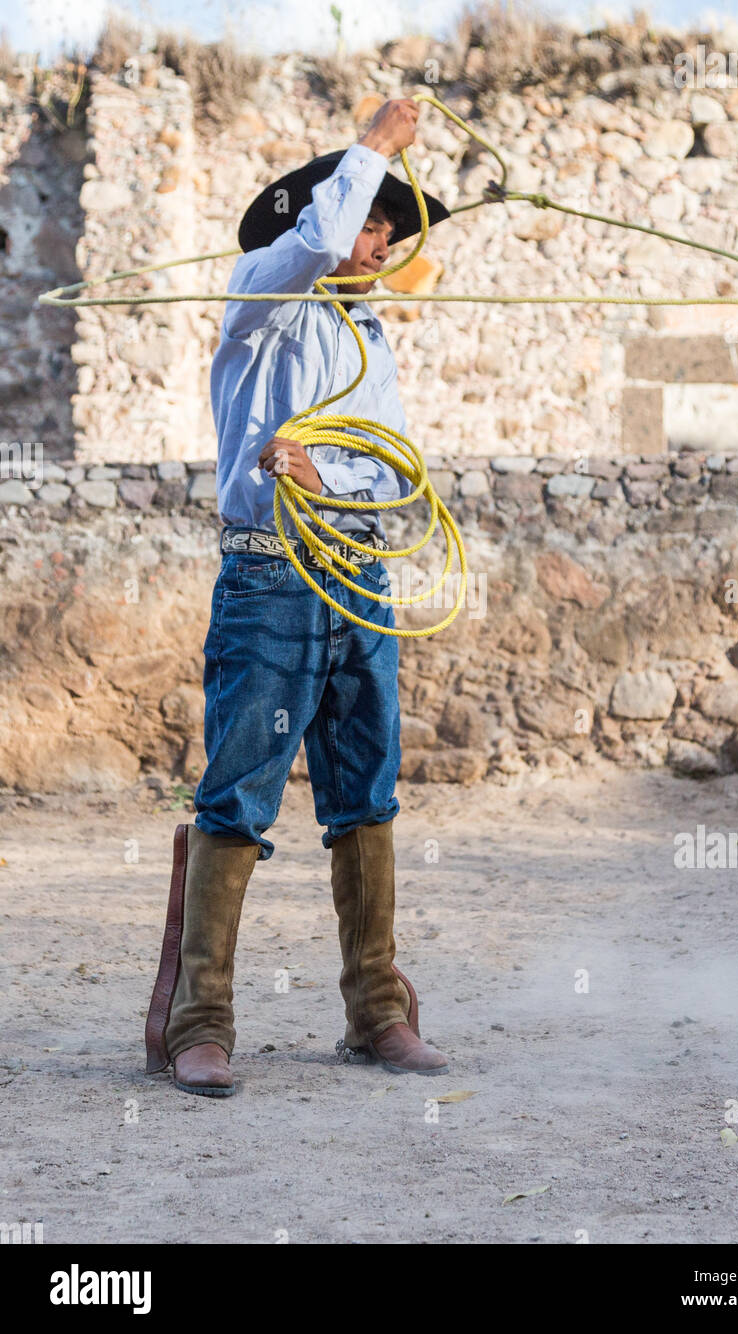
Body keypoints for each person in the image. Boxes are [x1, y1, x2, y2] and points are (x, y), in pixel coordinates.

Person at [145, 98, 452, 1097]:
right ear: (314, 218)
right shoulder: (260, 296)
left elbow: (396, 470)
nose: (380, 241)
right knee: (237, 788)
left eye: (388, 228)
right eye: (371, 219)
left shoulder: (368, 332)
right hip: (271, 566)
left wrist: (336, 480)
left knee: (365, 789)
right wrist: (370, 145)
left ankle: (377, 1010)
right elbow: (317, 237)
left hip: (355, 569)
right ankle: (197, 1022)